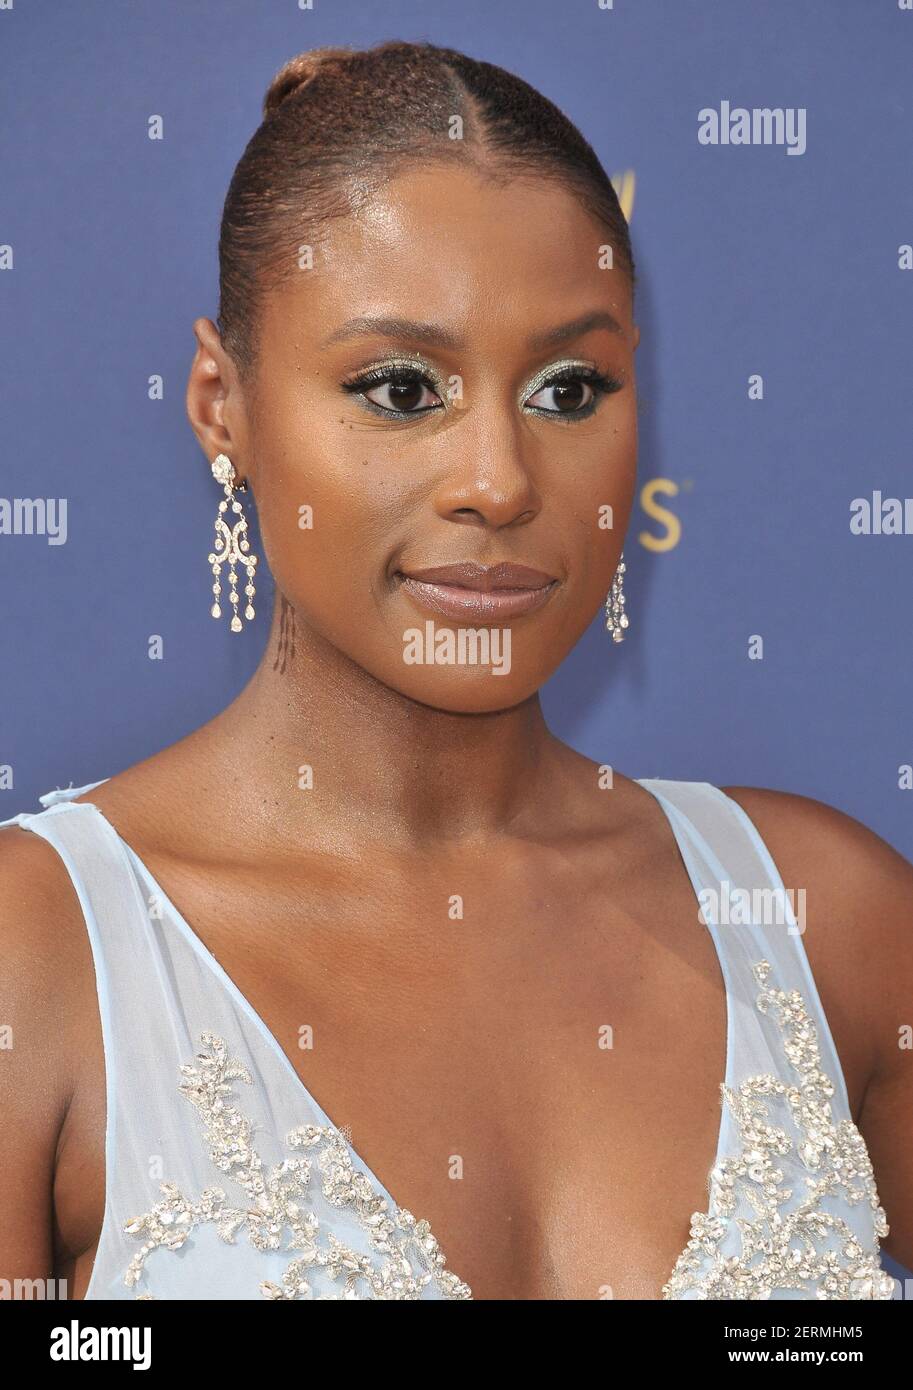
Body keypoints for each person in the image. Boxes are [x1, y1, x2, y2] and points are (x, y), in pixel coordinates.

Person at [1, 39, 910, 1302]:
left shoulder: (827, 918)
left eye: (568, 388)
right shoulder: (38, 952)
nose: (499, 480)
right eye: (399, 388)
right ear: (222, 406)